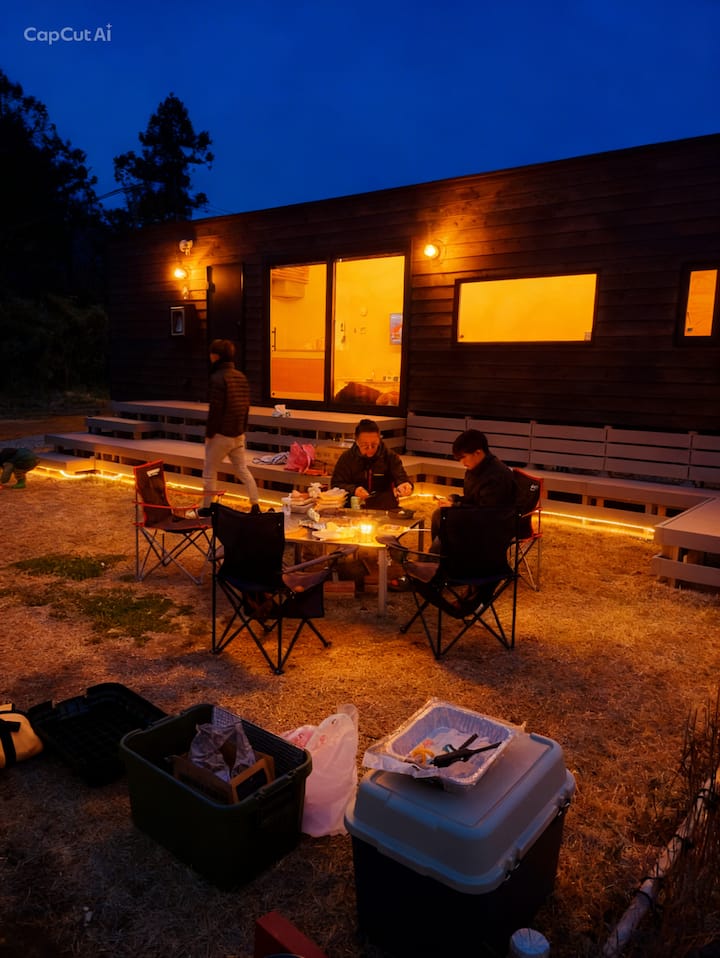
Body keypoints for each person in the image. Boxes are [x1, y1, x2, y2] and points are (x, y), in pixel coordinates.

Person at [200, 339, 261, 514]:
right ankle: (255, 504)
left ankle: (206, 508)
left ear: (216, 356)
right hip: (238, 433)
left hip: (221, 434)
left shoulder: (217, 378)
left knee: (210, 471)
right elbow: (246, 407)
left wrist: (210, 433)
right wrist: (242, 428)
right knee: (242, 470)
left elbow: (216, 409)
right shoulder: (241, 377)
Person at [431, 429, 521, 541]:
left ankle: (444, 552)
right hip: (477, 515)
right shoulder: (474, 468)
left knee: (446, 519)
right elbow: (472, 500)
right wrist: (454, 500)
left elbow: (487, 512)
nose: (462, 462)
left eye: (463, 457)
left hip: (495, 525)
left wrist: (455, 506)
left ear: (478, 453)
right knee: (439, 514)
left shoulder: (497, 475)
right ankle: (441, 551)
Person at [332, 418, 413, 511]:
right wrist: (354, 490)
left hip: (385, 510)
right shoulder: (347, 458)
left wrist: (405, 485)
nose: (370, 449)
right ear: (357, 441)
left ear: (379, 439)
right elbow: (336, 484)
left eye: (374, 445)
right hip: (354, 510)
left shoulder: (389, 456)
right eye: (365, 445)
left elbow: (401, 477)